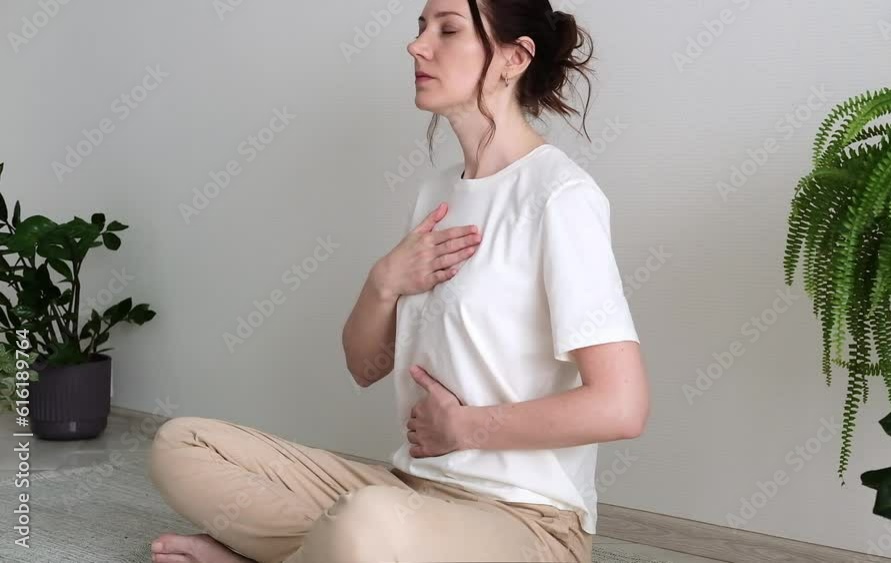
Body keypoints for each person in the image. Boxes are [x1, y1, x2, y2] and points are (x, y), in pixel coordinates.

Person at [147, 1, 648, 561]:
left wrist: (466, 429)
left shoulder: (559, 197)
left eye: (448, 30)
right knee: (181, 444)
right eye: (420, 28)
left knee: (366, 522)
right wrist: (382, 282)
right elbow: (365, 367)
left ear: (513, 57)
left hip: (527, 521)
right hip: (411, 491)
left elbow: (621, 405)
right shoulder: (436, 193)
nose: (418, 46)